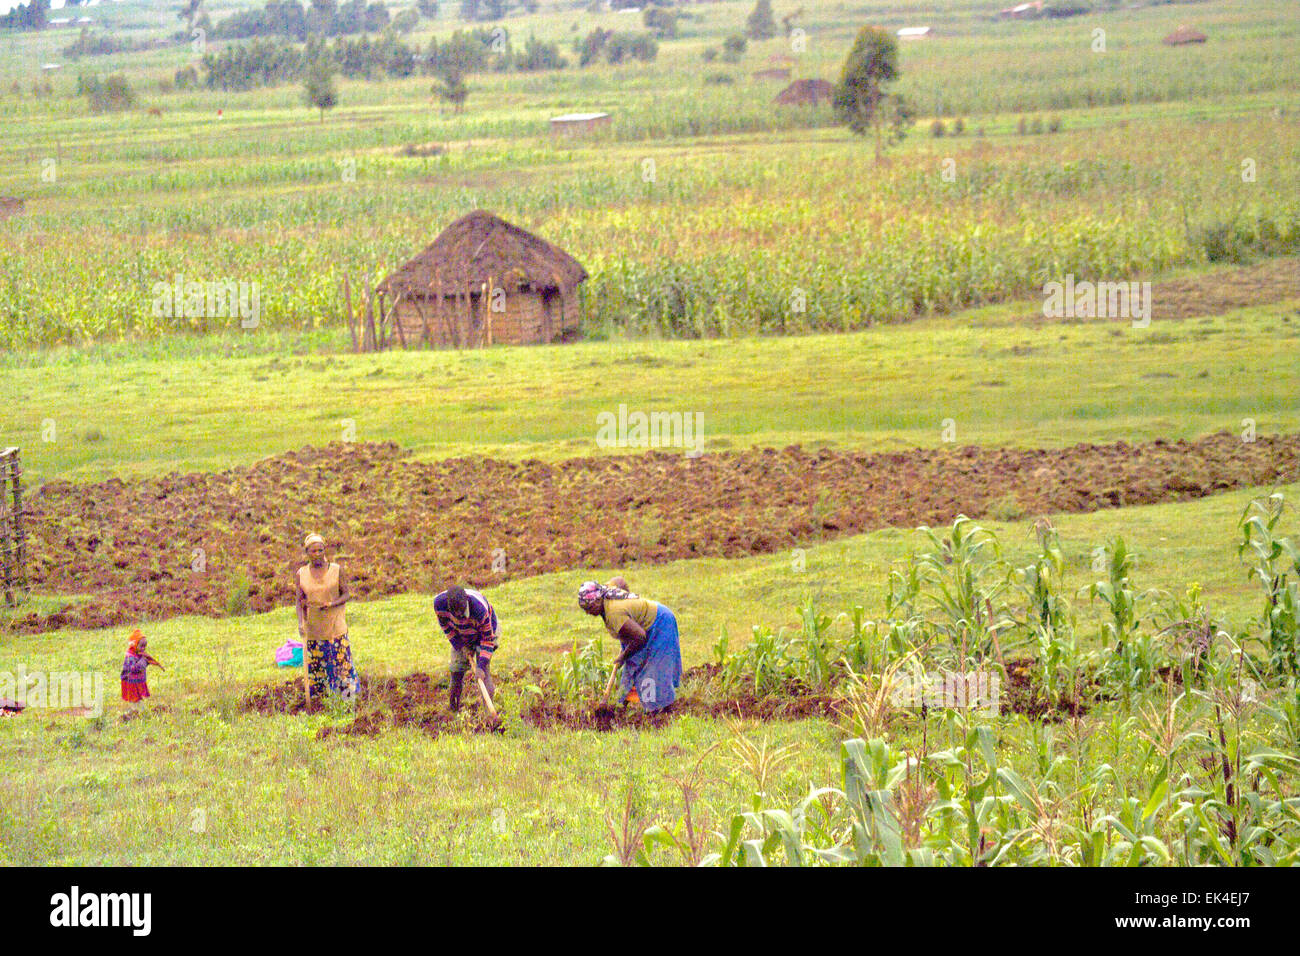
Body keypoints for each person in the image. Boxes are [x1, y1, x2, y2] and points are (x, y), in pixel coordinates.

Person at [577, 578, 682, 713]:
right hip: (642, 627)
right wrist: (630, 609)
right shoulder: (605, 590)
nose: (588, 613)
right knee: (632, 665)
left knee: (653, 669)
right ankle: (620, 708)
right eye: (585, 609)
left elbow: (640, 637)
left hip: (660, 623)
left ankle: (661, 712)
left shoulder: (614, 614)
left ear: (598, 600)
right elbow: (619, 581)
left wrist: (623, 656)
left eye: (590, 608)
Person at [294, 533, 358, 702]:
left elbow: (346, 594)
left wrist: (331, 604)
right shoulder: (301, 574)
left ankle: (348, 700)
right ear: (307, 552)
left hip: (335, 625)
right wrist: (301, 623)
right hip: (314, 629)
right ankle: (320, 703)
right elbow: (299, 602)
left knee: (342, 664)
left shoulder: (336, 570)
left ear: (325, 550)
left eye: (320, 550)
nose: (317, 554)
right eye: (313, 551)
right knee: (318, 668)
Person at [434, 585, 499, 711]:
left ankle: (489, 716)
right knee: (456, 671)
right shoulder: (439, 604)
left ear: (466, 603)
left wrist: (480, 667)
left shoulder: (480, 610)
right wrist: (460, 646)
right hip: (461, 634)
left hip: (486, 634)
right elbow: (445, 626)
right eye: (455, 614)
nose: (459, 615)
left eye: (462, 612)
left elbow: (487, 640)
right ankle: (453, 711)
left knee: (484, 672)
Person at [120, 629, 164, 710]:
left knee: (138, 699)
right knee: (134, 700)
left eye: (145, 646)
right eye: (141, 646)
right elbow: (133, 669)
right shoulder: (130, 657)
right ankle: (136, 713)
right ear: (134, 645)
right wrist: (144, 661)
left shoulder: (138, 654)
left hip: (136, 682)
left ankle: (139, 711)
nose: (143, 648)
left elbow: (141, 665)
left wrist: (147, 661)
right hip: (130, 683)